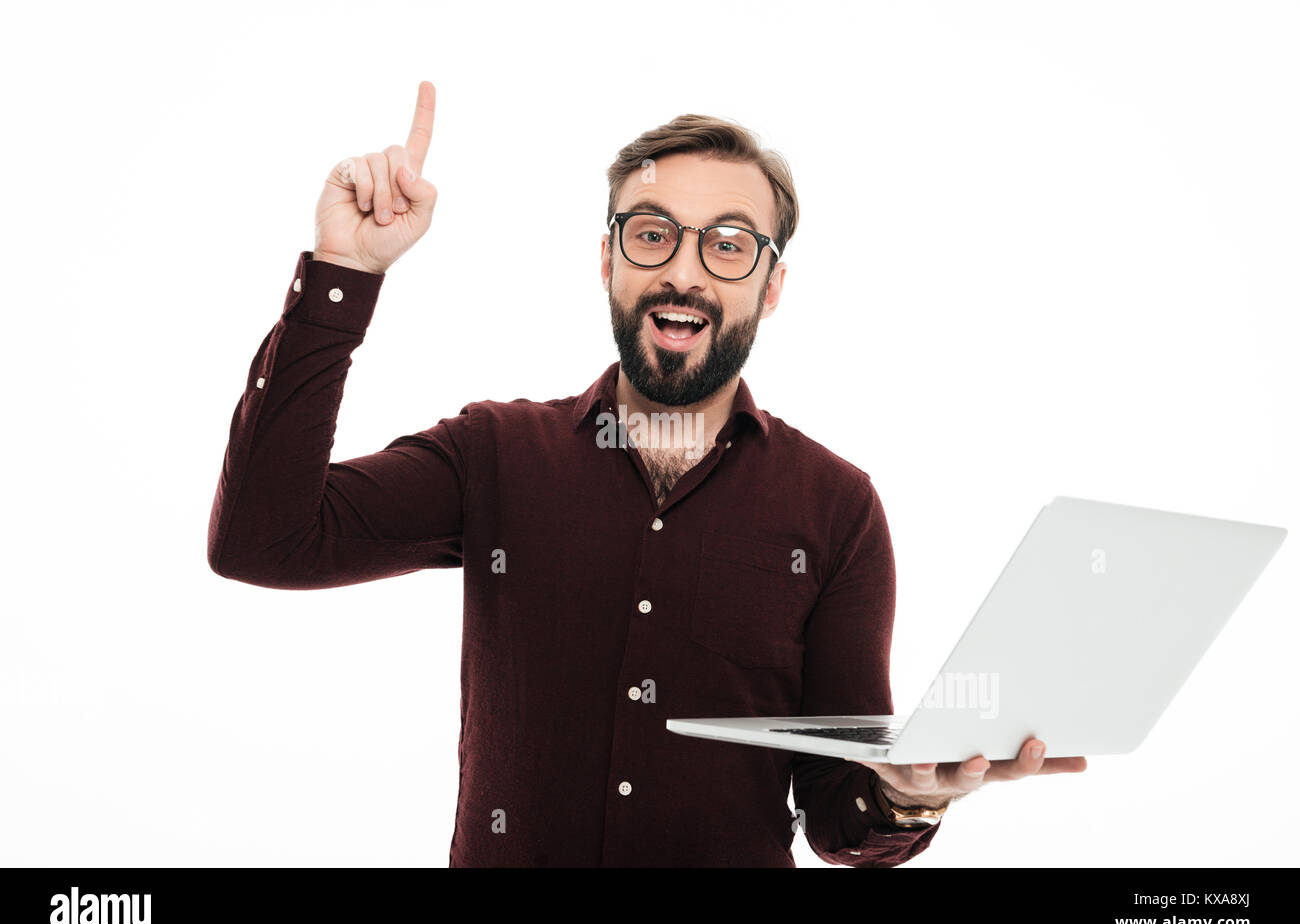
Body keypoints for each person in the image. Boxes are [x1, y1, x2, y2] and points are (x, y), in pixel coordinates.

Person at [207, 80, 1086, 867]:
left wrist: (904, 793)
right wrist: (343, 274)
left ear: (771, 287)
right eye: (654, 234)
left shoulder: (838, 509)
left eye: (730, 245)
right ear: (607, 261)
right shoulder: (494, 454)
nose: (684, 270)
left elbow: (835, 818)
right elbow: (263, 540)